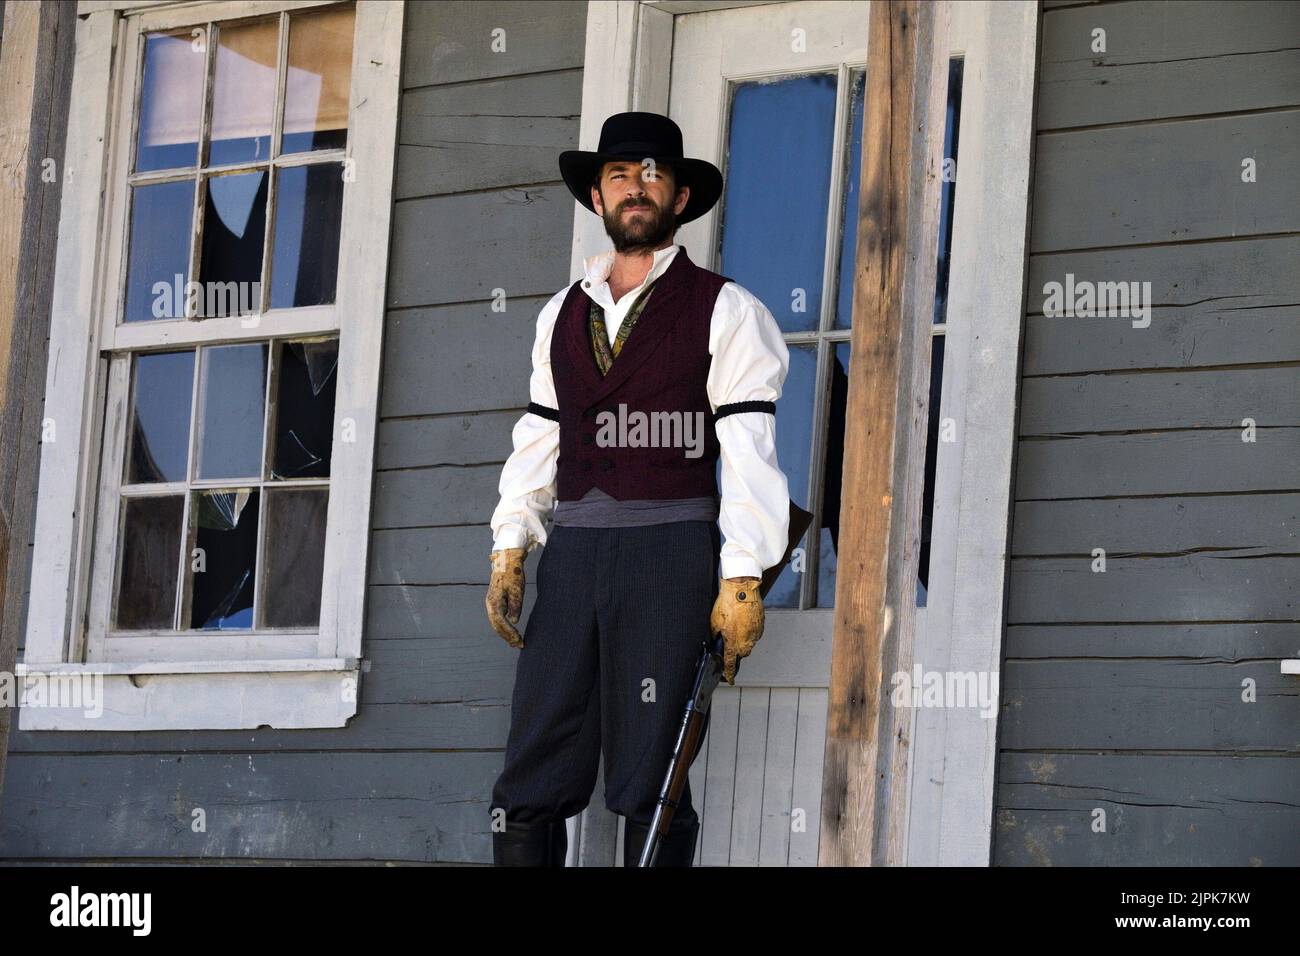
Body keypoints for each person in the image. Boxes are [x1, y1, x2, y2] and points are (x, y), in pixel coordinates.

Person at [484, 111, 790, 867]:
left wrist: (743, 572)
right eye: (621, 174)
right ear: (596, 195)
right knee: (532, 769)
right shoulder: (560, 314)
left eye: (654, 174)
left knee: (651, 777)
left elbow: (748, 447)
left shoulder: (726, 308)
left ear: (680, 198)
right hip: (577, 556)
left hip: (670, 555)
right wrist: (511, 546)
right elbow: (541, 436)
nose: (636, 187)